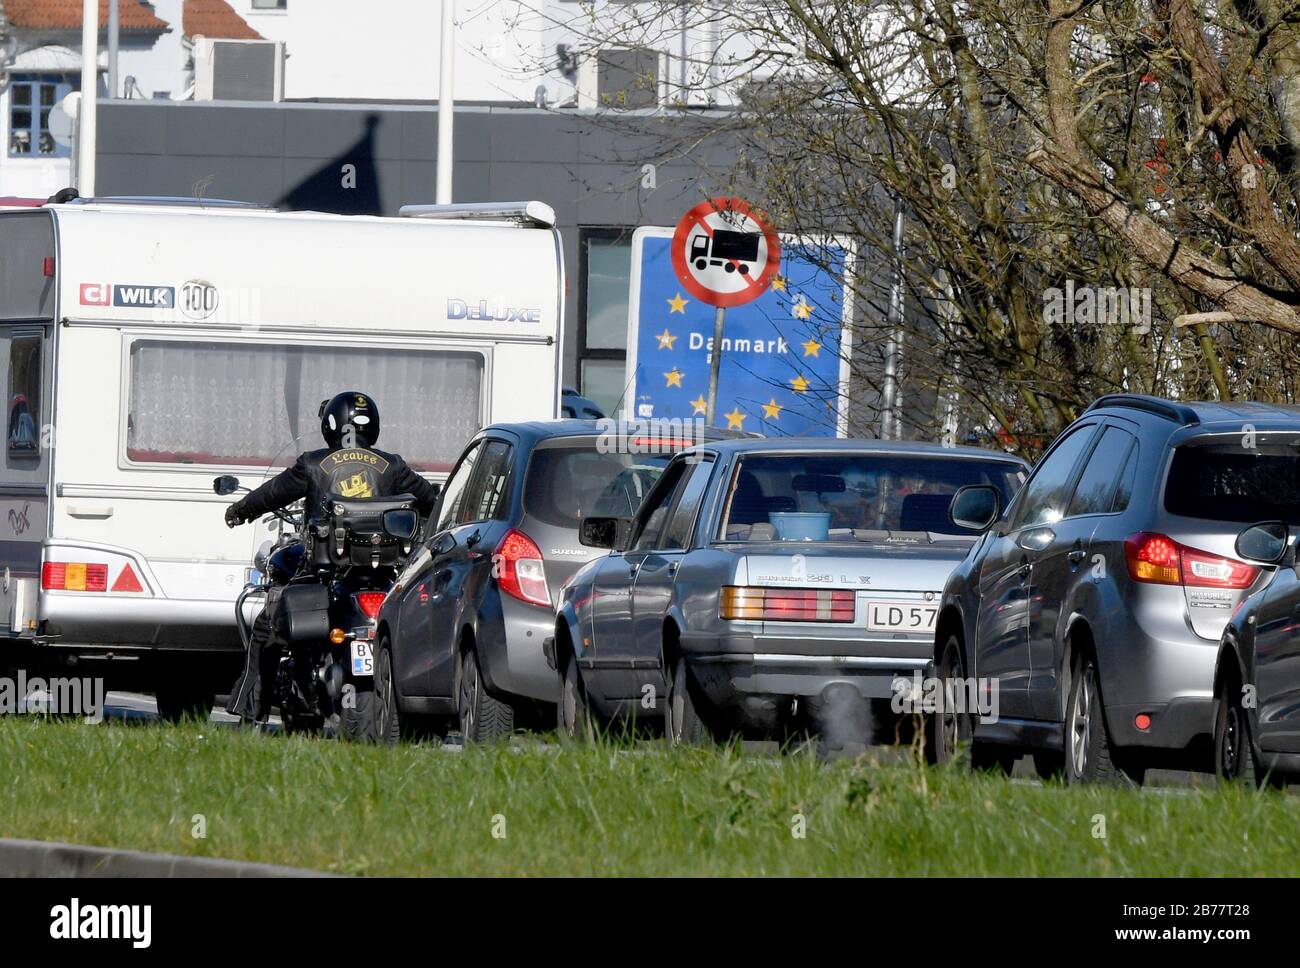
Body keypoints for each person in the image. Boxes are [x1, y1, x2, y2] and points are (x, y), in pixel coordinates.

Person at [223, 391, 440, 724]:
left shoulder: (313, 463)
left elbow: (273, 494)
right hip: (382, 571)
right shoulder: (392, 465)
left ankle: (253, 710)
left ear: (330, 424)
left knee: (266, 628)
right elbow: (433, 502)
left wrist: (241, 509)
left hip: (323, 569)